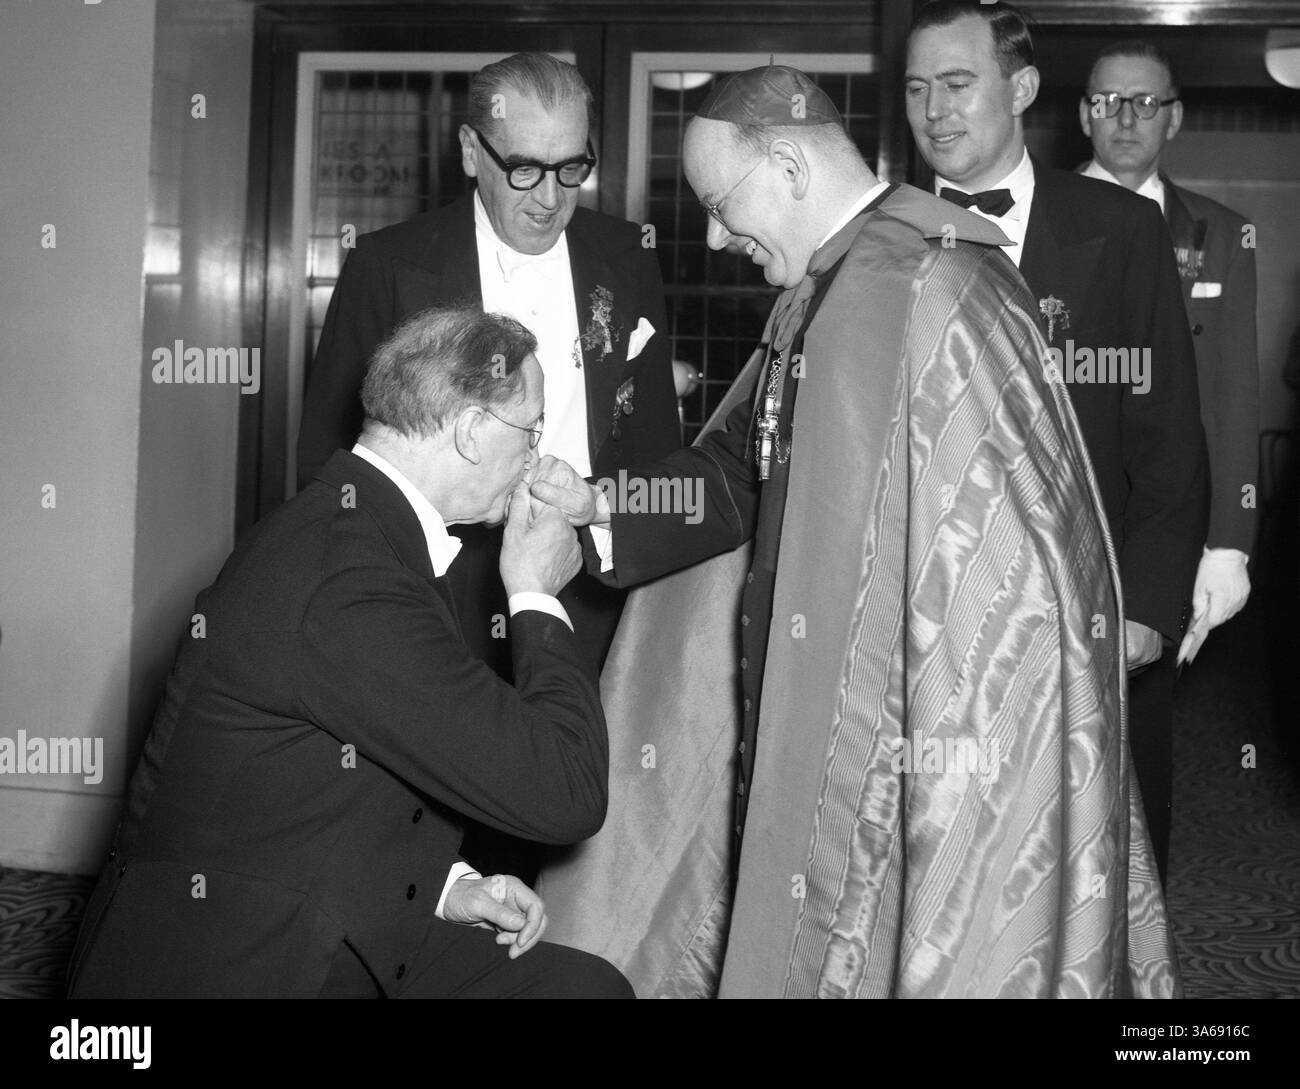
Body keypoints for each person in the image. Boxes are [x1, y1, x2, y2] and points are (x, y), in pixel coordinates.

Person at [531, 66, 1177, 998]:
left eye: (720, 204)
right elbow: (735, 477)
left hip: (907, 758)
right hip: (811, 725)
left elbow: (1015, 588)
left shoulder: (939, 284)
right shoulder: (822, 290)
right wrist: (601, 506)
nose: (715, 236)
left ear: (789, 163)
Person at [66, 307, 632, 999]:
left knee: (581, 988)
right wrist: (536, 593)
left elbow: (321, 781)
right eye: (531, 431)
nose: (538, 457)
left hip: (300, 901)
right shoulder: (348, 577)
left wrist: (446, 887)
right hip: (226, 962)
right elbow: (566, 791)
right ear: (473, 432)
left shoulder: (355, 525)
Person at [904, 0, 1209, 885]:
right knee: (949, 869)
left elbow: (1166, 441)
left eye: (958, 84)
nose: (935, 109)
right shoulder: (885, 237)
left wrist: (1150, 606)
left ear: (1023, 87)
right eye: (919, 87)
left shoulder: (1122, 229)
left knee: (1091, 870)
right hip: (934, 628)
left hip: (1088, 613)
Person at [297, 52, 679, 683]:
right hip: (432, 598)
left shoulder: (629, 255)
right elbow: (329, 459)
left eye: (572, 168)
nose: (552, 198)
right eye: (525, 169)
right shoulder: (388, 267)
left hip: (590, 587)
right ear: (473, 153)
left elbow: (655, 441)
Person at [1078, 40, 1259, 664]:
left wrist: (1229, 543)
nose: (1126, 119)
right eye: (1108, 102)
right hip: (1059, 510)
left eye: (1146, 102)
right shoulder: (1030, 220)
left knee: (1145, 730)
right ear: (1084, 115)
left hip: (1171, 522)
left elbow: (1234, 394)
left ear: (1173, 118)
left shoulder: (1224, 235)